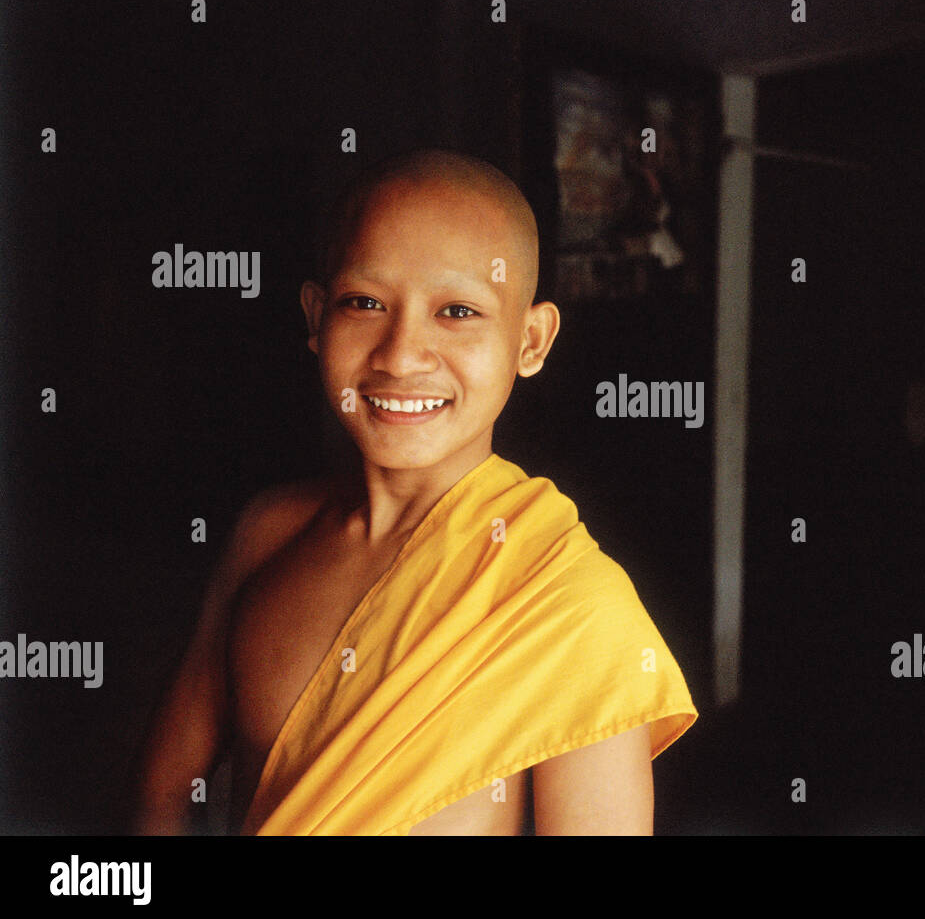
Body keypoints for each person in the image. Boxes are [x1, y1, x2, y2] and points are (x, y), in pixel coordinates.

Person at [133, 150, 697, 835]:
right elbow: (165, 791)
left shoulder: (570, 604)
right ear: (316, 316)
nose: (401, 355)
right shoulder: (268, 534)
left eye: (457, 310)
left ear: (531, 338)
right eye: (365, 303)